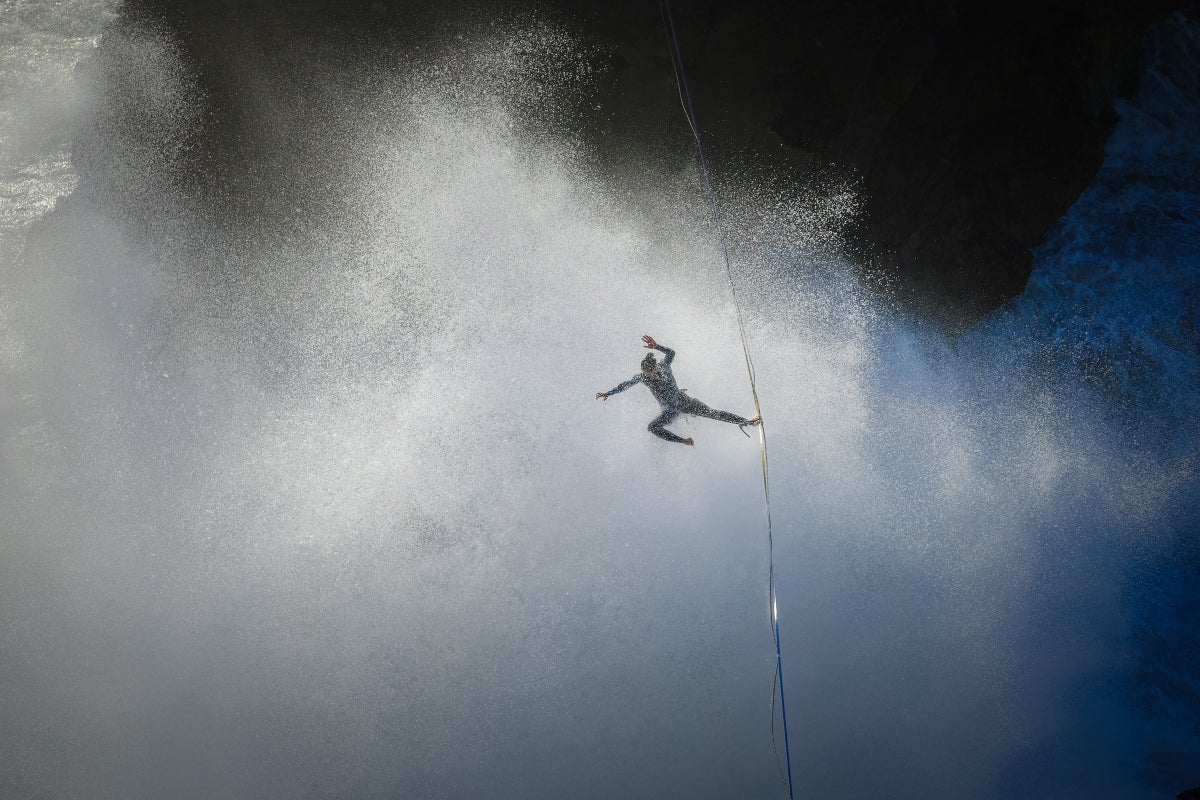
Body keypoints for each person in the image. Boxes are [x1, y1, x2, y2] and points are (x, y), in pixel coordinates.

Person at [596, 335, 760, 446]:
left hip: (684, 401)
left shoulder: (663, 367)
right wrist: (609, 393)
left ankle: (746, 422)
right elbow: (625, 384)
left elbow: (672, 353)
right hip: (670, 410)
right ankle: (684, 441)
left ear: (655, 368)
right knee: (652, 428)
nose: (649, 376)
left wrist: (657, 346)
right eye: (646, 373)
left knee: (713, 413)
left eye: (650, 372)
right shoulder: (643, 377)